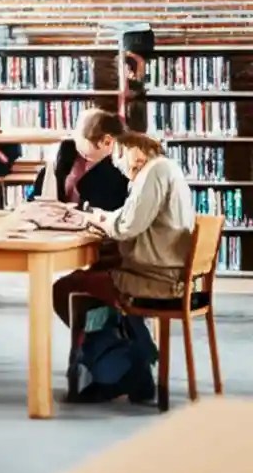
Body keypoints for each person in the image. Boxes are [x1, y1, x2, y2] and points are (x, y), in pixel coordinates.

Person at [52, 132, 196, 327]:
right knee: (102, 262)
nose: (118, 165)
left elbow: (125, 228)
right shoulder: (166, 168)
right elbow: (131, 217)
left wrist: (97, 220)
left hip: (157, 277)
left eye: (119, 157)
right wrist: (102, 216)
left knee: (66, 287)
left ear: (133, 150)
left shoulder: (153, 172)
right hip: (167, 266)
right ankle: (122, 341)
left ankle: (113, 346)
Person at [33, 108, 129, 212]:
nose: (75, 138)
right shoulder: (66, 153)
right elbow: (37, 198)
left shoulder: (121, 169)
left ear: (107, 141)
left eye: (81, 135)